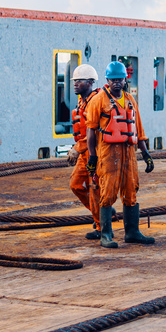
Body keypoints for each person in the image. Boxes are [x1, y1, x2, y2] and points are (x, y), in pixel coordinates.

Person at [85, 61, 156, 248]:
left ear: (126, 79)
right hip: (109, 153)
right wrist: (93, 157)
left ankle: (132, 232)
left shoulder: (130, 100)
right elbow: (91, 131)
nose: (117, 83)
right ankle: (106, 234)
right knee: (107, 191)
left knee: (131, 189)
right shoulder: (98, 100)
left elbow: (138, 129)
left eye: (120, 79)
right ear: (108, 80)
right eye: (113, 79)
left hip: (129, 153)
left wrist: (146, 154)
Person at [67, 64, 102, 240]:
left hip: (94, 154)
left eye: (79, 81)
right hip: (84, 153)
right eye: (75, 81)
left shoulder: (96, 103)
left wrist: (76, 149)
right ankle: (104, 211)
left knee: (94, 189)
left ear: (90, 82)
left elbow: (94, 133)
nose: (75, 84)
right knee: (75, 184)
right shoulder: (83, 101)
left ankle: (101, 226)